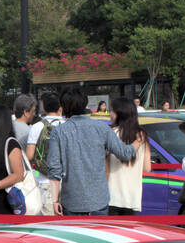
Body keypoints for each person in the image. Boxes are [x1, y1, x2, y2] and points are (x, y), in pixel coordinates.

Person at [46, 87, 136, 216]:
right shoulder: (101, 128)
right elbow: (124, 153)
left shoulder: (58, 132)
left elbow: (54, 168)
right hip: (98, 201)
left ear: (63, 106)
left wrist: (55, 201)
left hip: (72, 201)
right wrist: (138, 143)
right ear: (84, 104)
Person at [106, 97, 151, 214]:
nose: (109, 114)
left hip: (111, 197)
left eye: (111, 111)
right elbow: (147, 168)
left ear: (120, 113)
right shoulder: (142, 136)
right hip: (132, 198)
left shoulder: (110, 134)